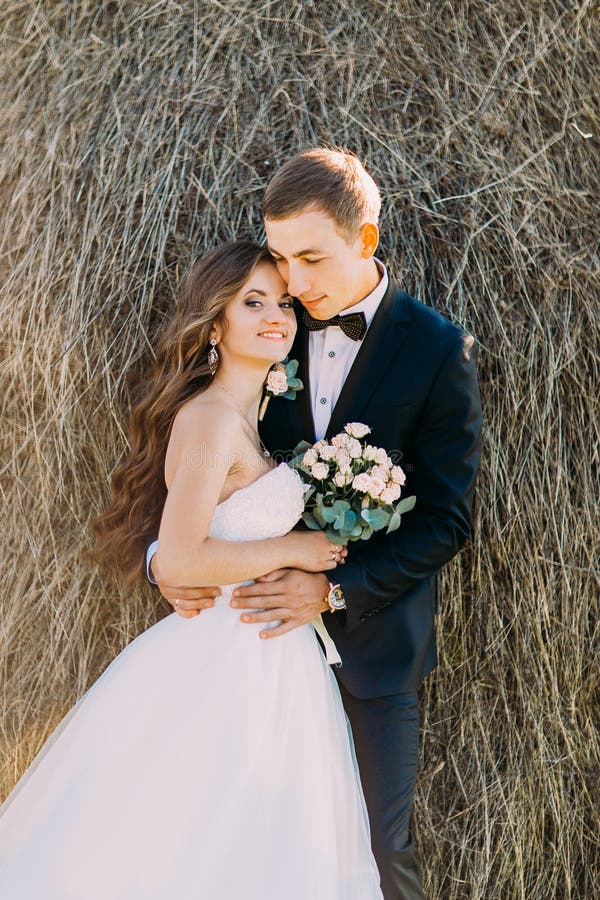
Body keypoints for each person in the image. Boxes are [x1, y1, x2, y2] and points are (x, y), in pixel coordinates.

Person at [0, 241, 384, 899]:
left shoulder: (247, 422)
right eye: (253, 302)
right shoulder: (208, 421)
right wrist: (295, 549)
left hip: (270, 664)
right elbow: (179, 558)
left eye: (284, 303)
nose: (277, 316)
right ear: (215, 326)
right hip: (224, 664)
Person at [149, 149, 483, 899]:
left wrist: (331, 590)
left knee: (377, 851)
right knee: (241, 848)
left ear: (365, 241)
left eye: (310, 259)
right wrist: (166, 564)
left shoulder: (436, 351)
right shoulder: (269, 328)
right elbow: (204, 473)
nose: (292, 287)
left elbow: (446, 520)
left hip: (374, 652)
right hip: (250, 653)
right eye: (279, 261)